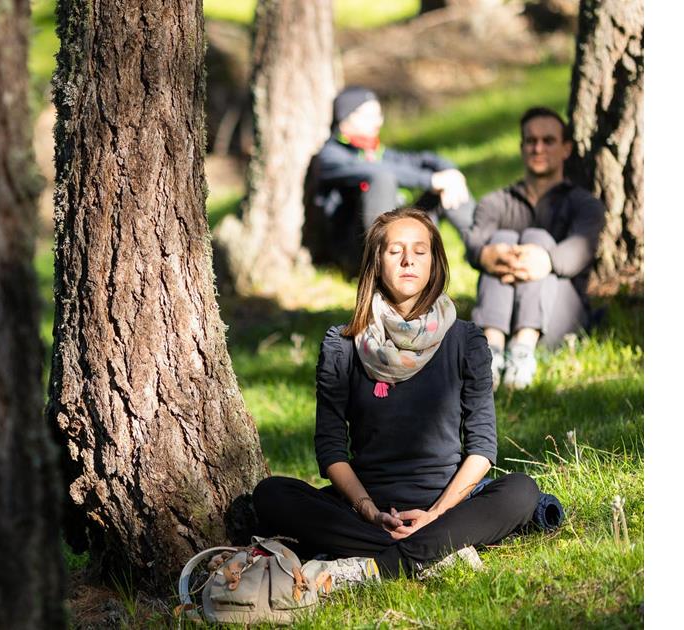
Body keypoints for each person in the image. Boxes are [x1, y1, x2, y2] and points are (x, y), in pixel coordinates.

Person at [252, 208, 539, 588]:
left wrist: (437, 514)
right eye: (396, 251)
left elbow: (483, 449)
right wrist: (370, 512)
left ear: (435, 262)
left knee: (522, 491)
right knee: (271, 495)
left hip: (448, 505)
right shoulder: (342, 345)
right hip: (365, 511)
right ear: (376, 261)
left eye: (420, 251)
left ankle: (377, 566)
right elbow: (331, 450)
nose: (408, 260)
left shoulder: (466, 341)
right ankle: (437, 553)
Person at [464, 107, 605, 390]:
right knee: (501, 237)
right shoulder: (496, 202)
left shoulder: (585, 204)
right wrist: (486, 254)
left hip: (559, 317)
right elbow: (474, 241)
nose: (538, 148)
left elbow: (580, 249)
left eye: (548, 140)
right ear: (521, 147)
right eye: (531, 141)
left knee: (537, 239)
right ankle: (491, 353)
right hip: (503, 314)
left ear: (566, 149)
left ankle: (522, 353)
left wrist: (545, 259)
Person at [309, 86, 475, 268]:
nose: (377, 122)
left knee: (450, 185)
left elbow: (424, 159)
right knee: (382, 178)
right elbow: (375, 170)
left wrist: (451, 173)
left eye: (378, 115)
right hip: (358, 254)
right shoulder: (330, 157)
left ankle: (483, 250)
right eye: (368, 115)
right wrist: (431, 180)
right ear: (344, 119)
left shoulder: (376, 152)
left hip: (400, 240)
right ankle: (382, 269)